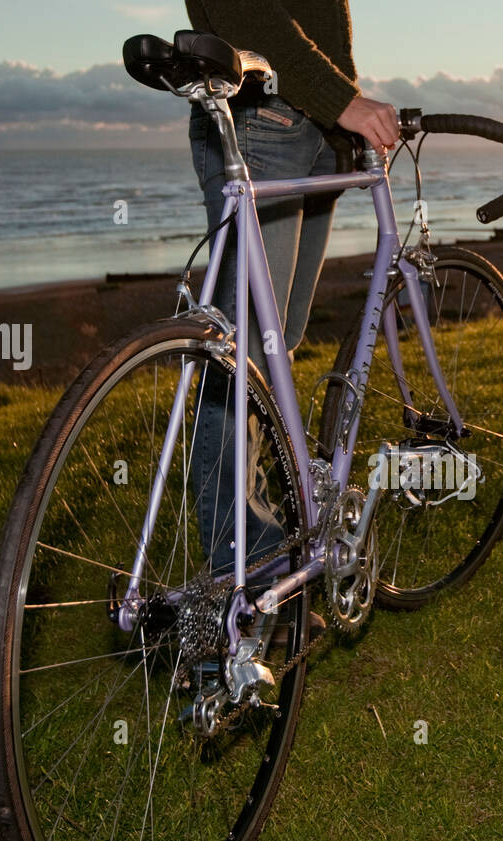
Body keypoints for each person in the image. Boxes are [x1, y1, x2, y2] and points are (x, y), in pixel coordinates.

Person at [184, 0, 399, 579]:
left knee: (274, 348)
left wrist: (336, 110)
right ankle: (243, 584)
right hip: (264, 117)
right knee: (242, 357)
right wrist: (344, 101)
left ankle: (263, 547)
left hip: (310, 124)